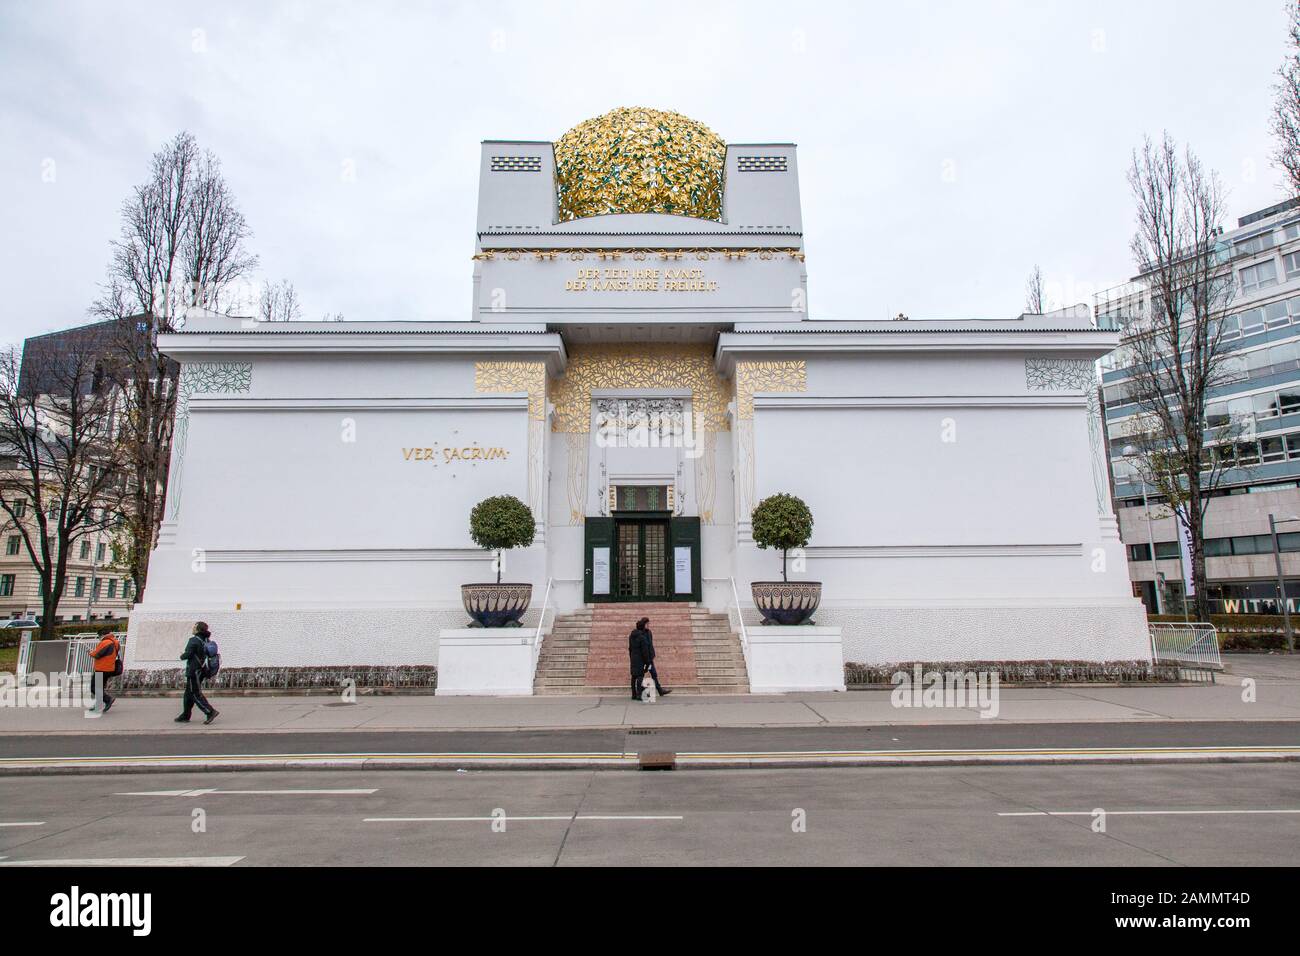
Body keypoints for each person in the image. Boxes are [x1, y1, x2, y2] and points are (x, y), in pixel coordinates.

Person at [176, 621, 219, 725]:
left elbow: (188, 654)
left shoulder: (194, 640)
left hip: (193, 670)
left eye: (194, 627)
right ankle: (186, 715)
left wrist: (182, 656)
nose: (193, 628)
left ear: (198, 629)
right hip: (201, 669)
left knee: (194, 693)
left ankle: (210, 711)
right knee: (188, 694)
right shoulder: (205, 640)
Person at [627, 616, 669, 701]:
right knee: (639, 675)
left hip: (642, 658)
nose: (649, 625)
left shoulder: (646, 633)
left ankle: (657, 690)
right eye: (647, 624)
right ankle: (639, 694)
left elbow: (648, 645)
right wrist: (647, 661)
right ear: (644, 624)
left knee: (649, 674)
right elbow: (644, 649)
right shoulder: (641, 635)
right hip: (644, 659)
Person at [87, 632, 120, 713]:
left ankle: (108, 699)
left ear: (103, 635)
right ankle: (98, 705)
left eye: (99, 636)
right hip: (109, 668)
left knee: (94, 687)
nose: (99, 638)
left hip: (102, 668)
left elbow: (97, 654)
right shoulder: (116, 642)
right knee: (100, 688)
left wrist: (90, 652)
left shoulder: (105, 642)